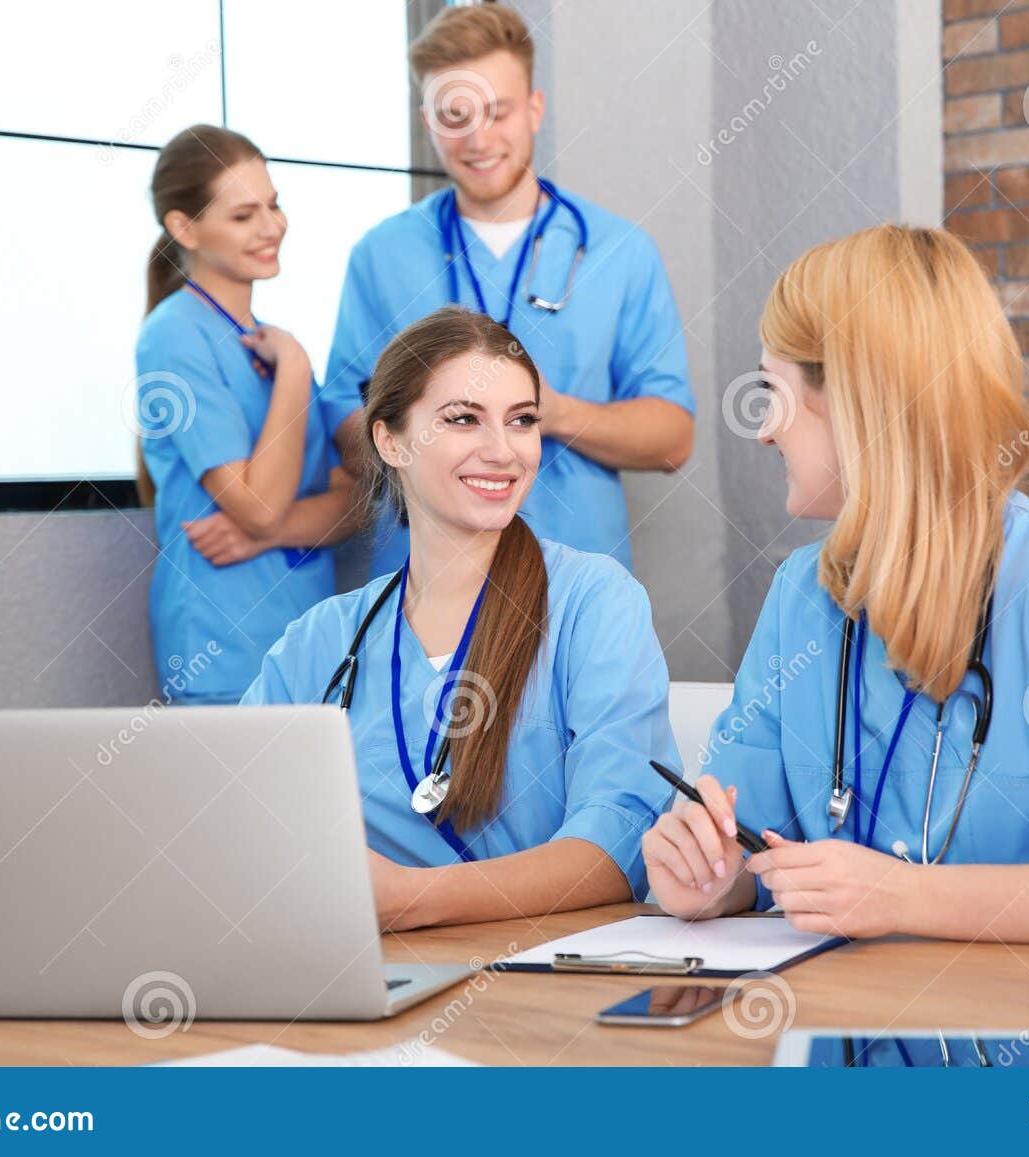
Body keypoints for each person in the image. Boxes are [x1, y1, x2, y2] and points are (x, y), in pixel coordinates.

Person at [643, 226, 1029, 948]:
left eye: (772, 391)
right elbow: (744, 839)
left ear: (855, 398)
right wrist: (709, 875)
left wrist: (911, 898)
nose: (761, 433)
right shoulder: (800, 596)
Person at [243, 306, 679, 930]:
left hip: (546, 987)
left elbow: (619, 847)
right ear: (389, 440)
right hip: (369, 983)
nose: (502, 451)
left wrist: (407, 899)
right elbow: (237, 823)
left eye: (522, 421)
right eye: (463, 420)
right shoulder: (318, 643)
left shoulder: (594, 602)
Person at [322, 3, 695, 576]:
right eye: (454, 116)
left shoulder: (619, 251)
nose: (477, 138)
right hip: (422, 574)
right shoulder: (381, 254)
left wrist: (555, 412)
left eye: (497, 113)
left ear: (534, 109)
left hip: (572, 573)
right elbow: (346, 426)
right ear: (428, 121)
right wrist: (426, 428)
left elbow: (672, 438)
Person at [136, 126, 361, 704]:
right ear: (184, 227)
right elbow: (258, 507)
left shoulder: (263, 344)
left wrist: (274, 529)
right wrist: (295, 367)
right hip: (223, 642)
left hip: (306, 639)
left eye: (274, 204)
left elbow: (358, 505)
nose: (271, 227)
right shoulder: (175, 338)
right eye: (243, 215)